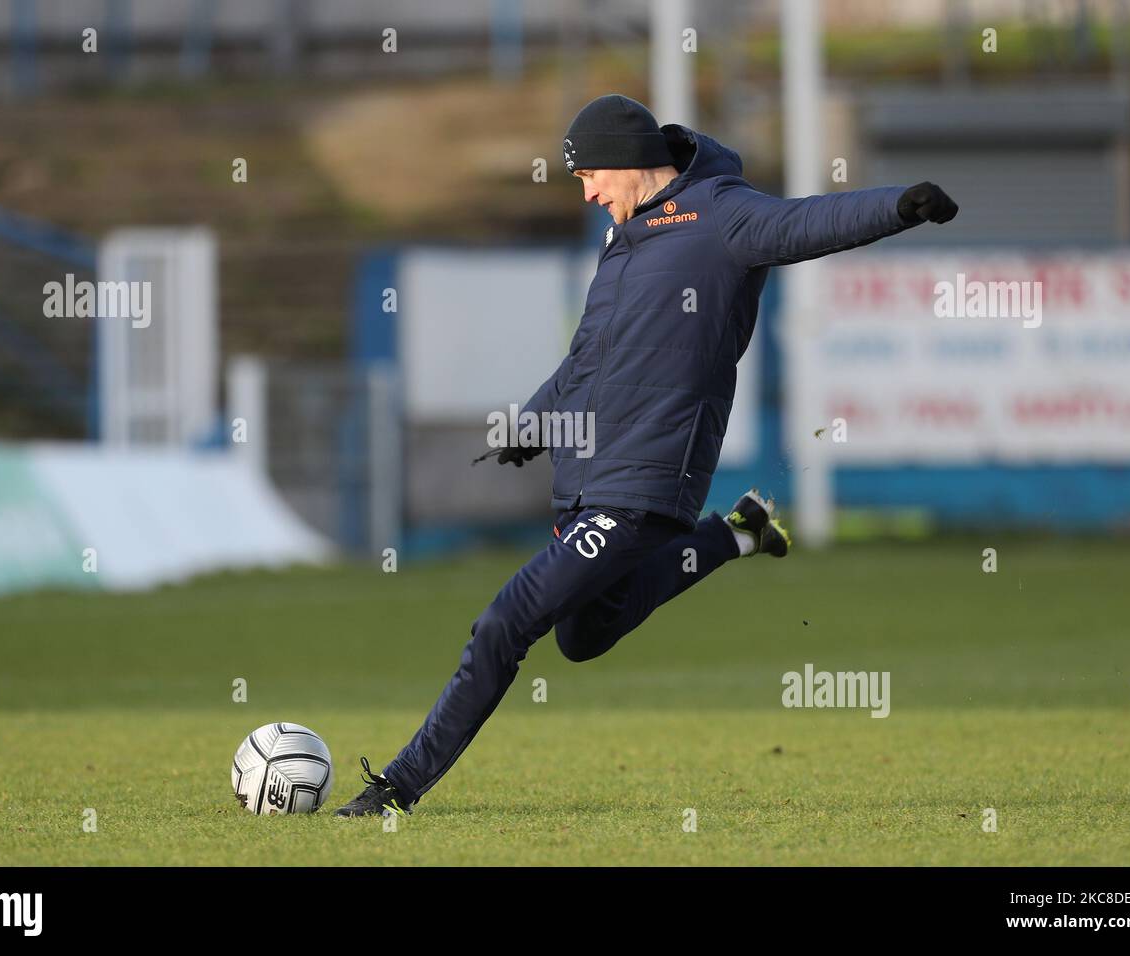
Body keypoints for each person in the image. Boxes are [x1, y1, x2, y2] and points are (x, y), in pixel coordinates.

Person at [335, 93, 958, 816]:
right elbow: (588, 360)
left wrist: (900, 206)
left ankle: (396, 788)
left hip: (646, 480)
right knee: (582, 636)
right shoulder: (622, 241)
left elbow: (807, 222)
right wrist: (531, 425)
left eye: (589, 176)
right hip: (586, 481)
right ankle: (737, 534)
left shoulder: (720, 213)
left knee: (504, 622)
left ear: (628, 159)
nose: (588, 193)